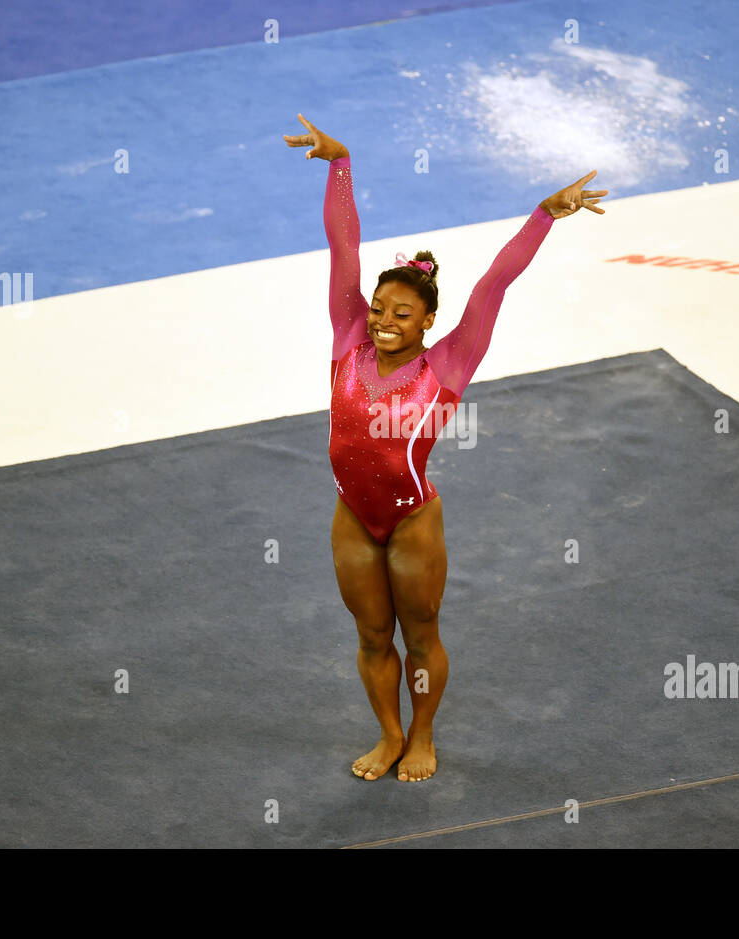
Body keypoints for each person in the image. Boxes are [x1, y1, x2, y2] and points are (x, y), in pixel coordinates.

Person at [283, 113, 607, 781]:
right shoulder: (349, 337)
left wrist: (544, 215)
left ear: (428, 321)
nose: (384, 321)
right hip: (352, 515)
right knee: (372, 635)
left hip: (411, 521)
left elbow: (493, 286)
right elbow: (344, 248)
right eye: (378, 309)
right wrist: (340, 164)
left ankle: (424, 734)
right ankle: (389, 734)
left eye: (401, 315)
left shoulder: (449, 364)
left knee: (421, 635)